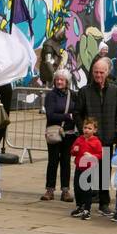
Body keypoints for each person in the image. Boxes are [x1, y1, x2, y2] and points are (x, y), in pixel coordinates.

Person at [75, 57, 117, 214]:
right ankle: (84, 204)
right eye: (96, 72)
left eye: (101, 72)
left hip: (107, 138)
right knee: (86, 172)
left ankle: (104, 203)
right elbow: (77, 113)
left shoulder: (115, 90)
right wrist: (84, 130)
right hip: (90, 140)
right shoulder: (85, 91)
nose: (98, 75)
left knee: (104, 172)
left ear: (107, 72)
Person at [41, 69, 77, 202]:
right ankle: (49, 189)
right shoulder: (51, 95)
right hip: (54, 132)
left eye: (62, 80)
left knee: (66, 162)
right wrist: (67, 116)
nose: (59, 82)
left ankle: (65, 190)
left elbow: (77, 112)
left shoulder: (73, 95)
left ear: (67, 82)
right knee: (53, 161)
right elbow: (50, 115)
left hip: (69, 134)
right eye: (57, 79)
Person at [69, 117, 104, 220]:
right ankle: (79, 206)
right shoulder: (79, 139)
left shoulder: (96, 142)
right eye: (85, 128)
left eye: (89, 128)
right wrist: (75, 150)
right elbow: (72, 152)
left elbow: (100, 154)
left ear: (94, 130)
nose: (86, 130)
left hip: (89, 169)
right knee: (77, 187)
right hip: (79, 167)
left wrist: (92, 156)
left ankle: (87, 210)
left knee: (87, 189)